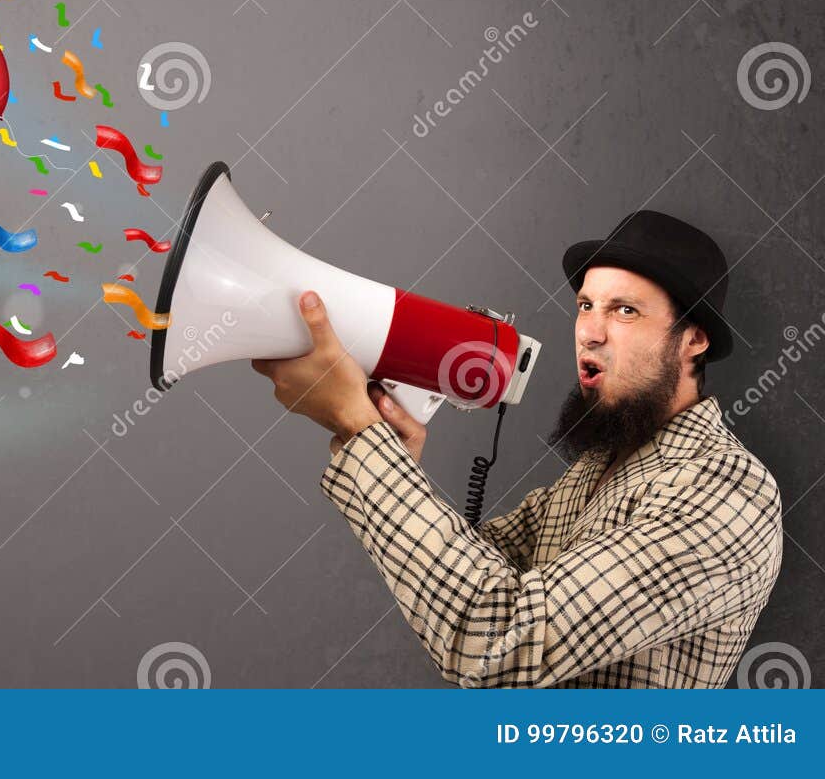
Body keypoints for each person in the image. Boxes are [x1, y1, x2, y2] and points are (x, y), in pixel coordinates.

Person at [252, 210, 783, 687]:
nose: (590, 333)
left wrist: (358, 425)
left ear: (693, 339)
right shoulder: (595, 472)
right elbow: (468, 576)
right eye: (585, 305)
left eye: (624, 311)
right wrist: (389, 453)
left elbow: (493, 642)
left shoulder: (725, 491)